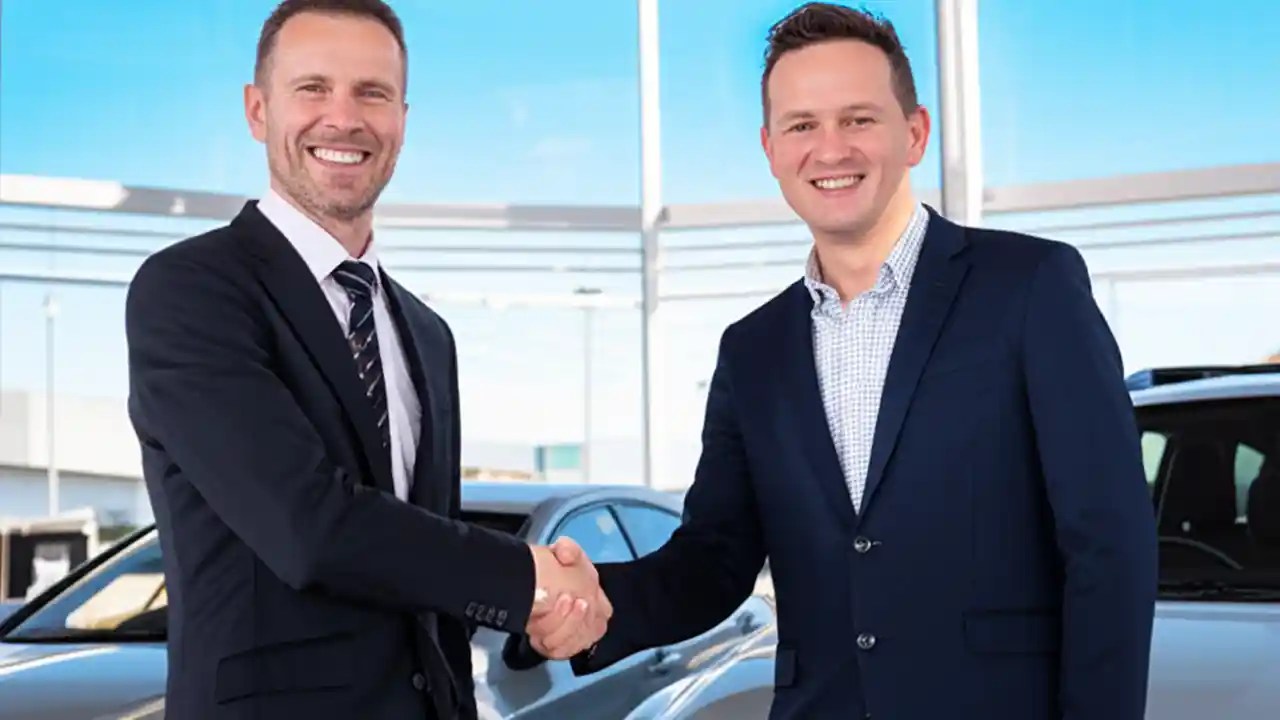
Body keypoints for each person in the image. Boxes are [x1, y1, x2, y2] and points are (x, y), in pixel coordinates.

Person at [525, 3, 1158, 719]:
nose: (830, 150)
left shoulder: (1030, 287)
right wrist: (597, 603)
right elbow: (714, 560)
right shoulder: (753, 349)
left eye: (857, 119)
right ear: (770, 148)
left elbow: (1110, 547)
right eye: (802, 126)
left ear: (914, 133)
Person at [124, 1, 607, 718]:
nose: (343, 118)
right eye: (312, 88)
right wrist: (526, 579)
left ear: (402, 121)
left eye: (372, 93)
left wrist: (542, 620)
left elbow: (418, 563)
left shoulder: (428, 333)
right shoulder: (191, 291)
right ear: (258, 110)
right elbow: (309, 527)